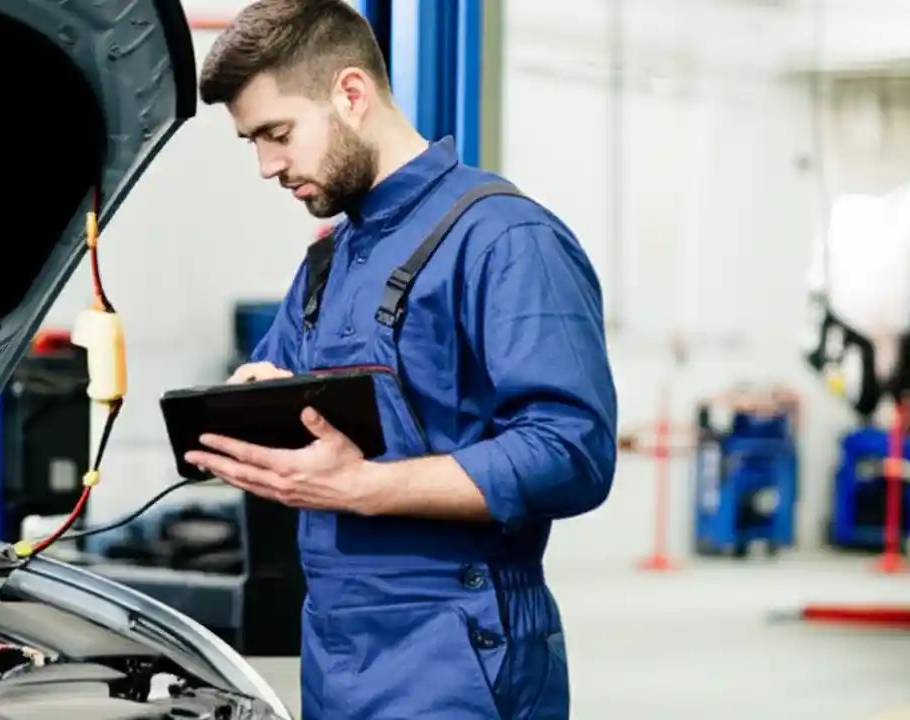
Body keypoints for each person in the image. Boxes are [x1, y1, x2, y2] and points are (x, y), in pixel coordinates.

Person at [186, 1, 617, 718]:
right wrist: (256, 400)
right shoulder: (329, 261)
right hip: (335, 650)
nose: (267, 166)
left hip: (460, 654)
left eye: (278, 133)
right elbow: (293, 404)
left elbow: (573, 451)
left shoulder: (505, 240)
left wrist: (363, 487)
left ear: (350, 94)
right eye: (251, 142)